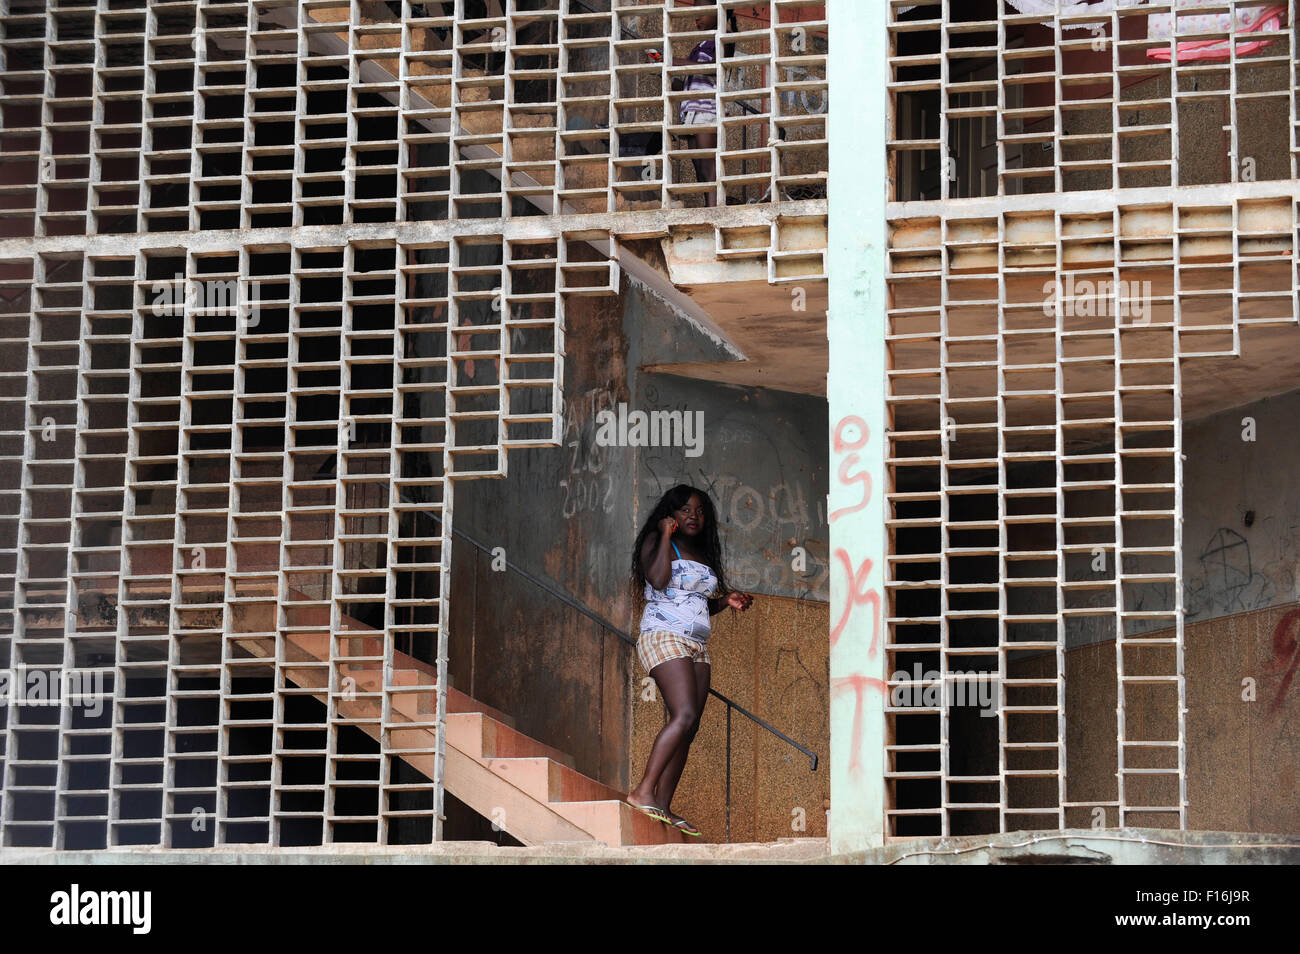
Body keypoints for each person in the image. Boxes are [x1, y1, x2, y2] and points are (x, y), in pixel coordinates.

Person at [626, 484, 754, 837]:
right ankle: (643, 791)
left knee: (690, 725)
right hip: (662, 636)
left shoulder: (702, 553)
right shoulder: (658, 541)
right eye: (684, 510)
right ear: (670, 514)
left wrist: (726, 601)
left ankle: (662, 804)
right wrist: (665, 534)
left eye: (698, 510)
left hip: (697, 644)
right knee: (682, 714)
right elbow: (657, 578)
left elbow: (696, 602)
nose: (692, 516)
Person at [649, 11, 720, 206]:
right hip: (690, 111)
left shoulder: (723, 36)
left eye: (702, 10)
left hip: (706, 109)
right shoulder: (699, 46)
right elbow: (688, 83)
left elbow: (713, 68)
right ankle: (709, 207)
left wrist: (675, 61)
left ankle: (713, 209)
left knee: (707, 164)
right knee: (698, 166)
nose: (697, 16)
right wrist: (665, 70)